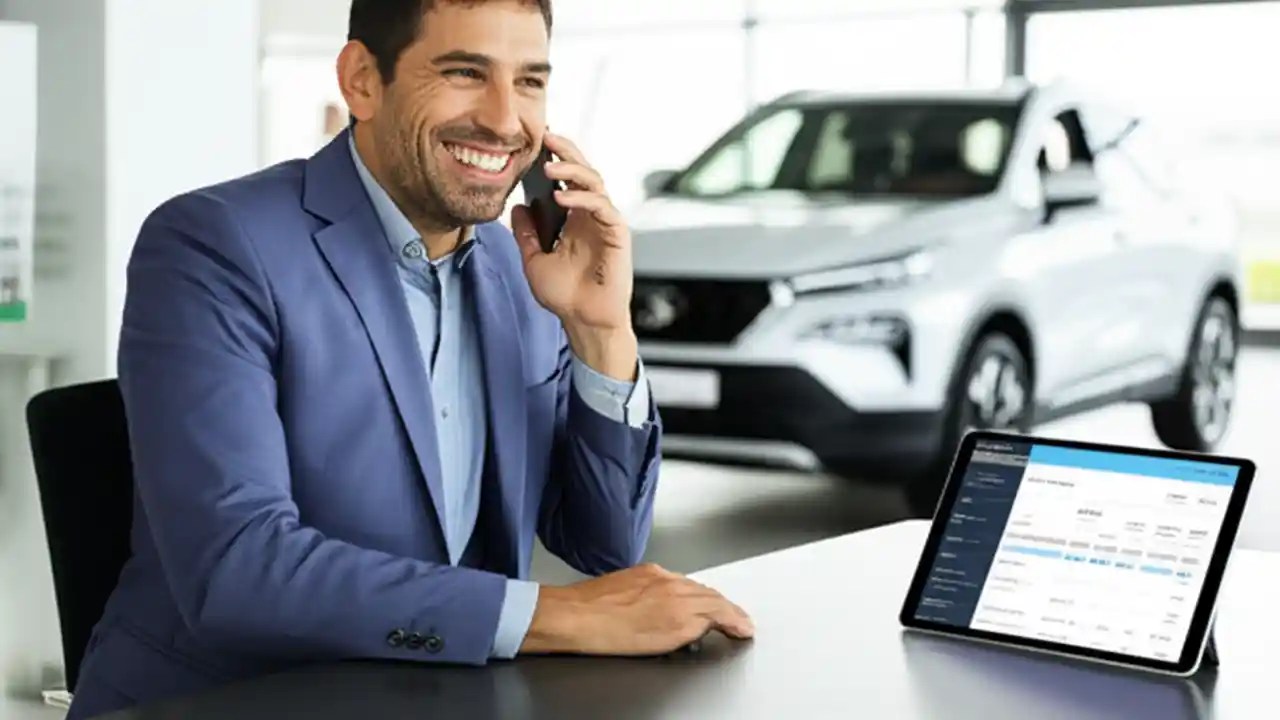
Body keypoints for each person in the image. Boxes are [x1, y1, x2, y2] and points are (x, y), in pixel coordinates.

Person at [66, 1, 754, 717]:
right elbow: (236, 568)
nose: (505, 121)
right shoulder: (216, 244)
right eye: (465, 73)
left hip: (444, 697)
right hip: (234, 700)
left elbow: (606, 547)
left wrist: (600, 330)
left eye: (529, 82)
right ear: (362, 80)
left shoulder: (521, 266)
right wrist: (560, 615)